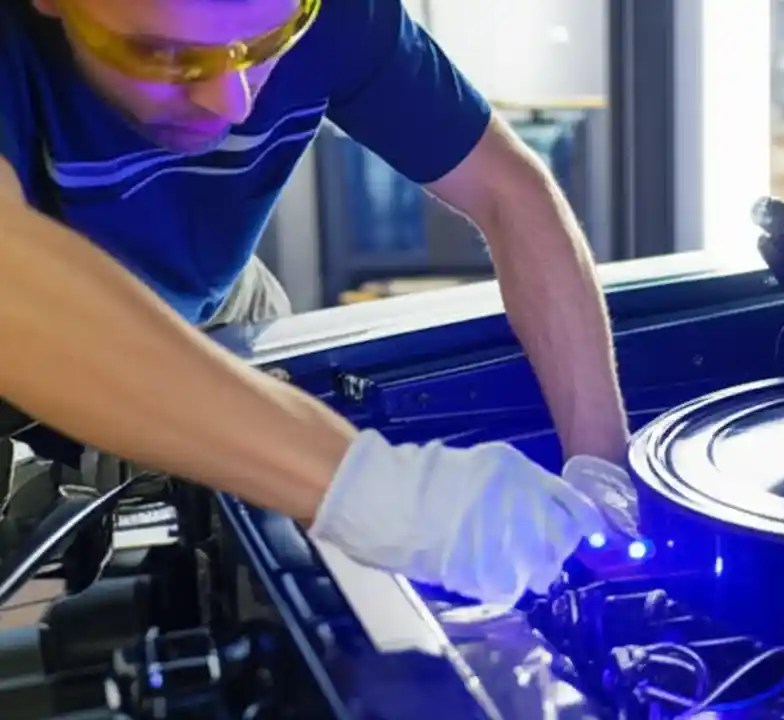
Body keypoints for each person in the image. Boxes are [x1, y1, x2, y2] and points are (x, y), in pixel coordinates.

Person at [0, 0, 635, 606]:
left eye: (266, 44)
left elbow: (510, 194)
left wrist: (602, 465)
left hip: (218, 308)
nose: (233, 101)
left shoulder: (337, 13)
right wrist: (388, 498)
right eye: (166, 54)